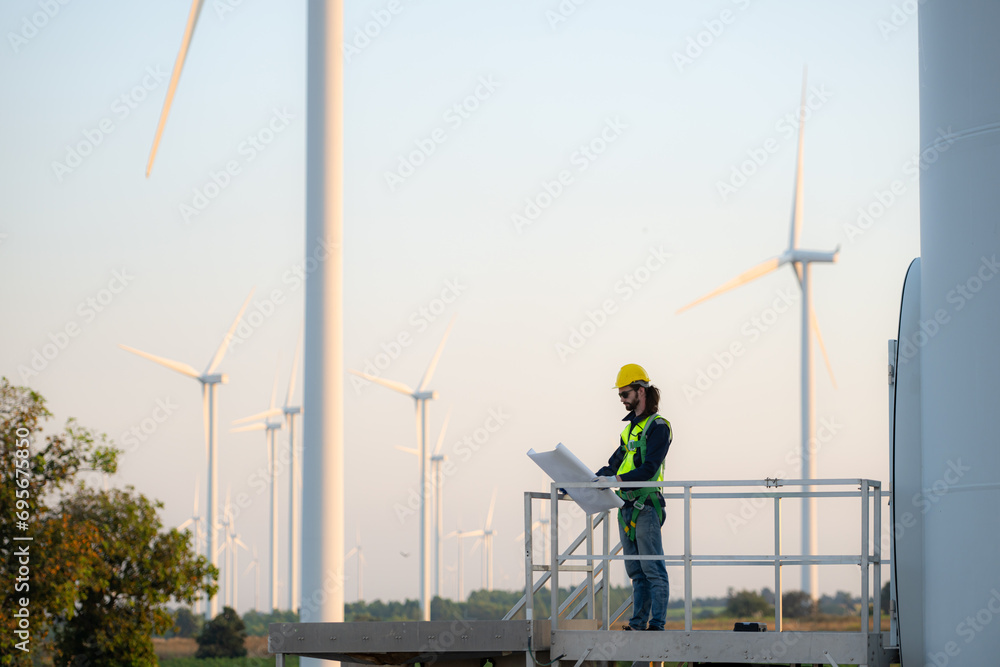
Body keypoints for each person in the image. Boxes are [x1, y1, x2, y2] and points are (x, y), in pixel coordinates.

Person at [594, 363, 672, 631]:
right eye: (620, 396)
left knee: (653, 570)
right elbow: (614, 464)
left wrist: (614, 480)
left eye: (625, 394)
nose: (622, 400)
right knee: (636, 572)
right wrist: (581, 482)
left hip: (647, 505)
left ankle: (657, 625)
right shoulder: (628, 431)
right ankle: (638, 623)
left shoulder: (659, 427)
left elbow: (649, 467)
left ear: (641, 391)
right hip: (626, 505)